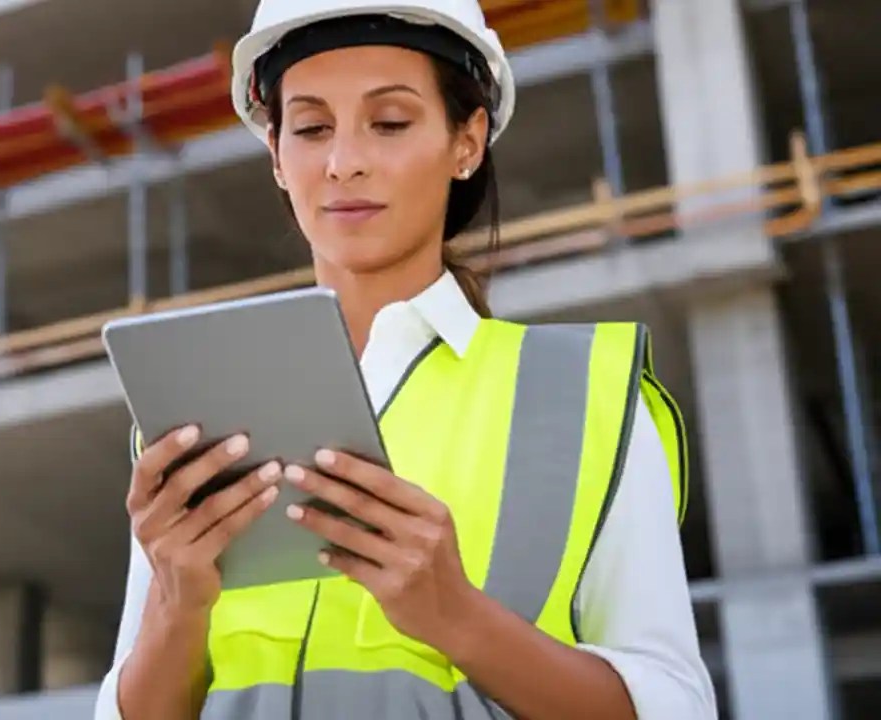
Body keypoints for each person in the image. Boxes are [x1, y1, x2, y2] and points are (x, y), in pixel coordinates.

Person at [94, 1, 717, 718]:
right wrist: (177, 608)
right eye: (311, 128)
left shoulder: (585, 398)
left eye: (389, 122)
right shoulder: (197, 409)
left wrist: (458, 616)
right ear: (276, 158)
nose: (344, 162)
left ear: (467, 141)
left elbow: (676, 707)